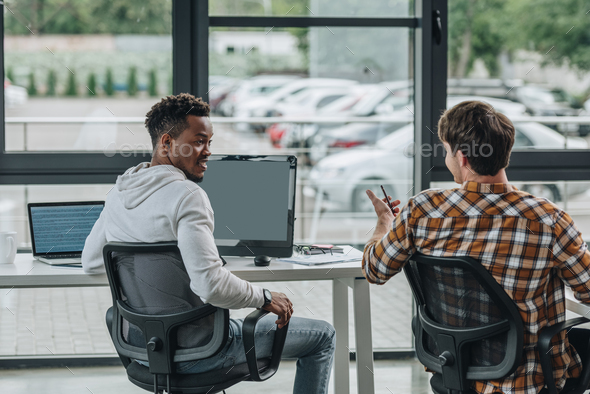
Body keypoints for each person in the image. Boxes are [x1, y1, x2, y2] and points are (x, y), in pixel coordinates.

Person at [82, 93, 335, 394]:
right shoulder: (187, 195)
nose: (207, 152)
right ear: (167, 143)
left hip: (146, 348)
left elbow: (92, 262)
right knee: (323, 336)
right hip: (204, 351)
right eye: (199, 141)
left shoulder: (119, 192)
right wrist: (265, 297)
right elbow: (211, 286)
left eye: (210, 142)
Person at [362, 100, 590, 393]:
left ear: (463, 158)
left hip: (452, 368)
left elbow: (373, 270)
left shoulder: (421, 210)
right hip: (525, 381)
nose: (446, 159)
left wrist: (384, 223)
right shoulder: (548, 219)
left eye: (445, 151)